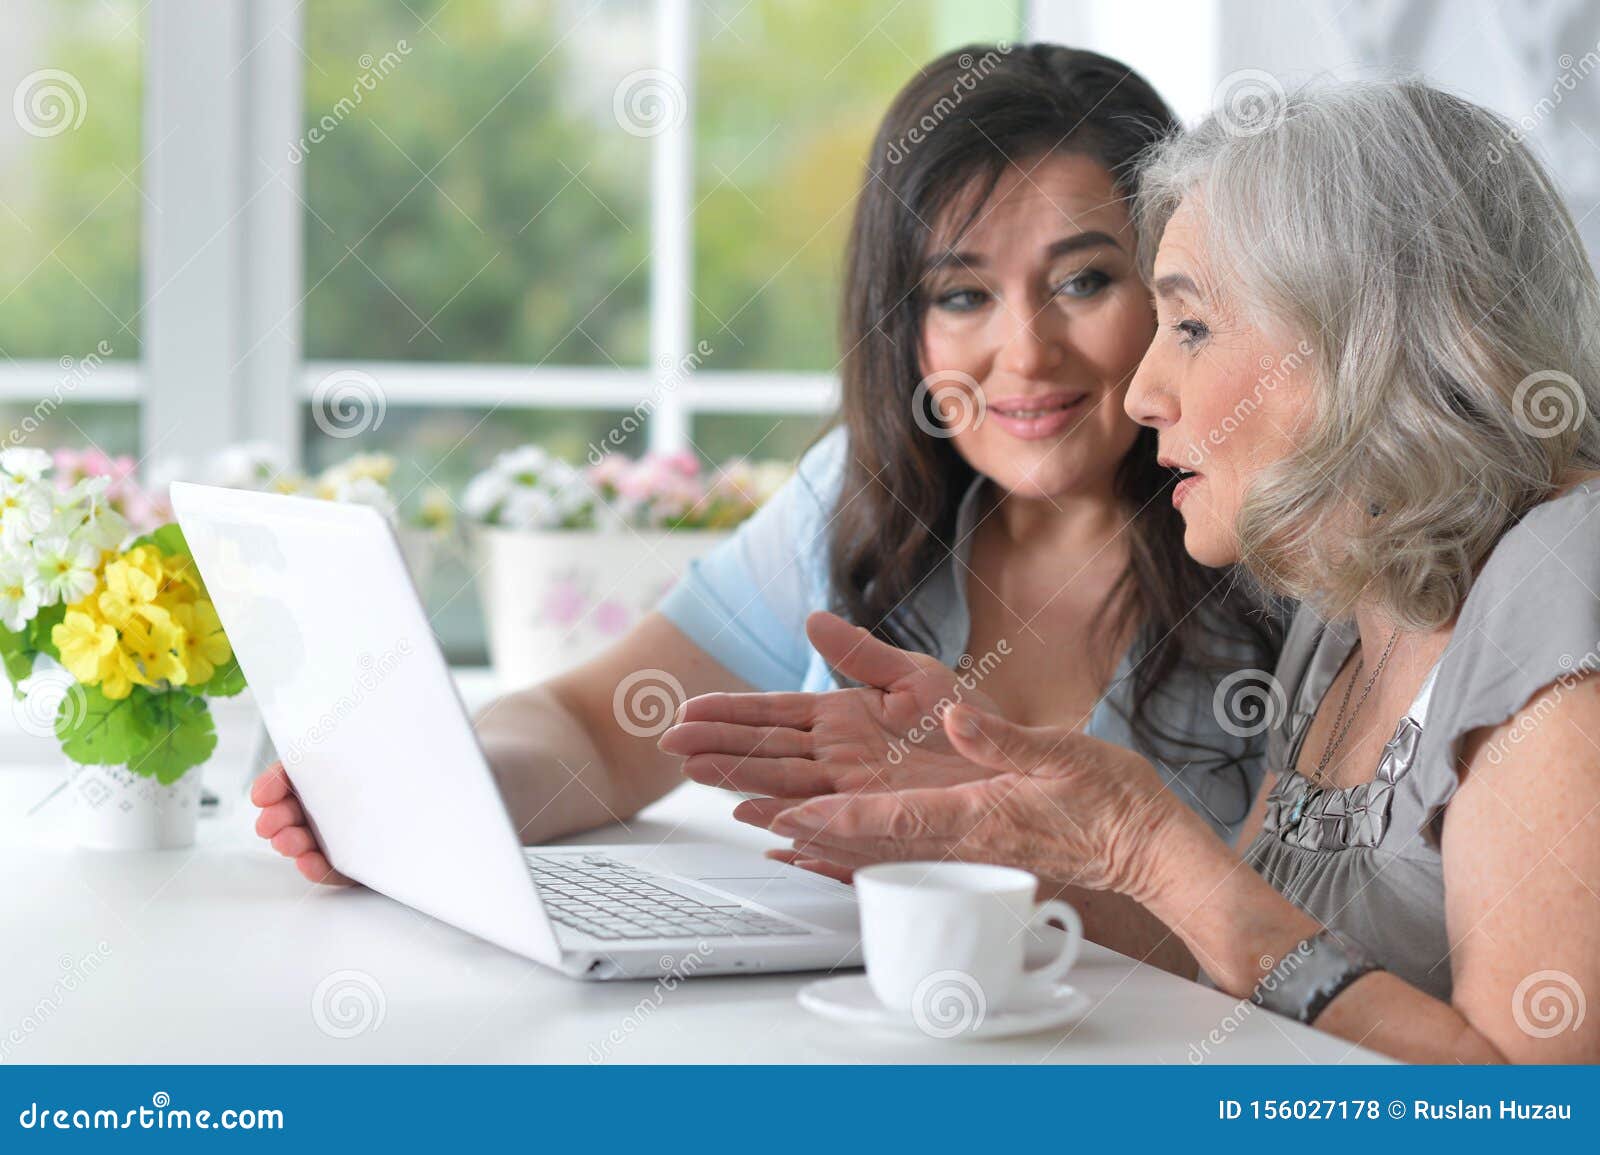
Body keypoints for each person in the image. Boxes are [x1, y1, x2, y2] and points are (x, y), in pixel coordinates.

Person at [250, 44, 1280, 966]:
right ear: (905, 321)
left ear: (1174, 290)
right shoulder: (861, 501)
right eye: (962, 295)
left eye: (1084, 281)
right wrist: (437, 796)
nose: (1025, 354)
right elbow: (590, 727)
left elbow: (1299, 953)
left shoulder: (1272, 541)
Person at [666, 80, 1600, 1063]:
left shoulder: (1560, 578)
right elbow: (1247, 963)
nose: (1145, 391)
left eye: (1190, 327)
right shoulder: (1352, 602)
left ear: (1367, 333)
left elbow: (1530, 1109)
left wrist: (1152, 846)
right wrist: (1024, 831)